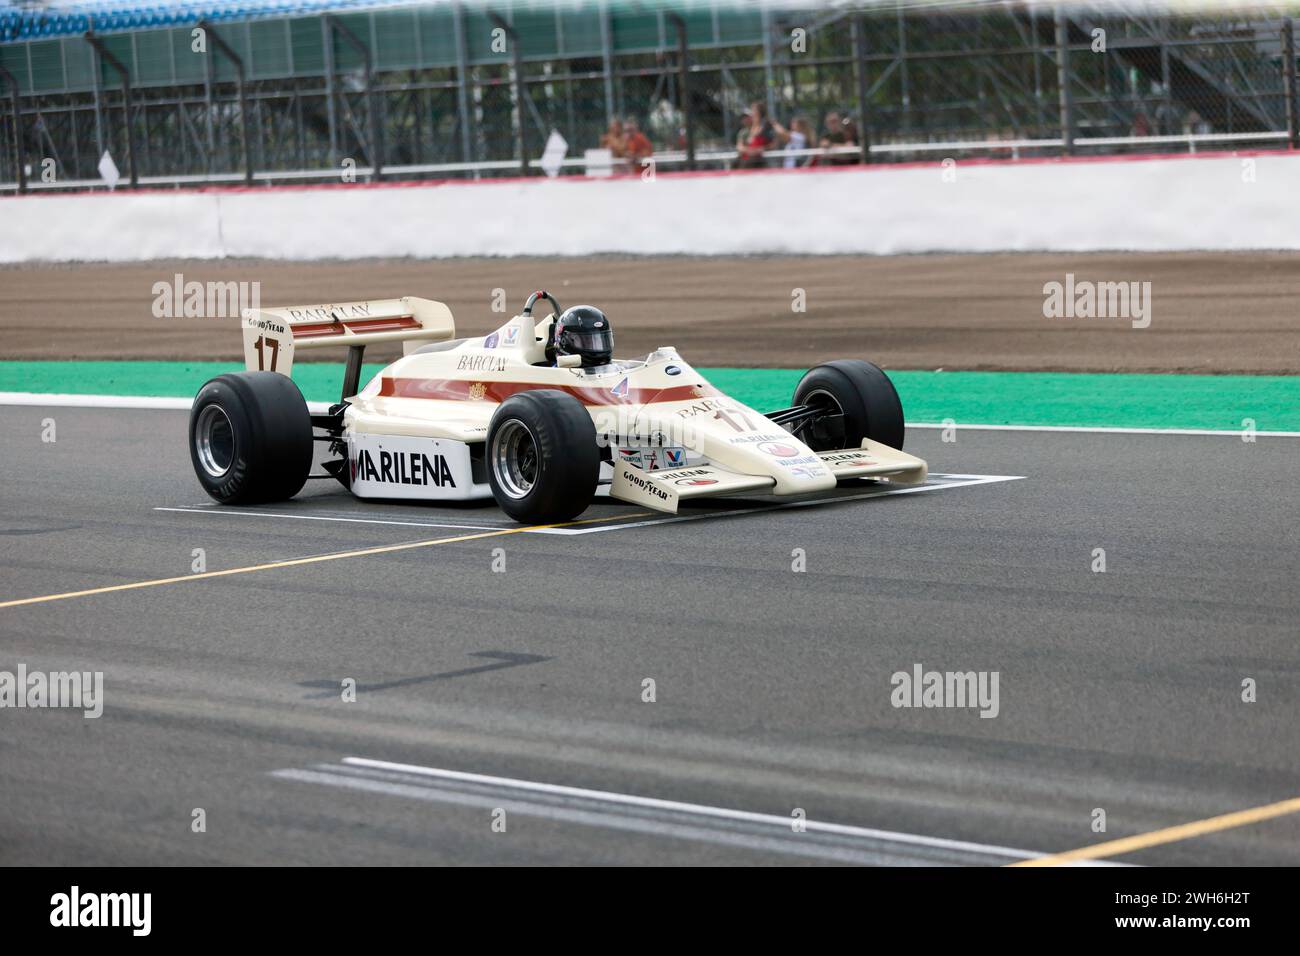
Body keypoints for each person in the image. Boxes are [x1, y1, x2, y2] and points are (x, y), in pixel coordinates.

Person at [737, 101, 786, 168]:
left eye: (754, 110)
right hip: (748, 163)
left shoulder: (767, 126)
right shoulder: (746, 130)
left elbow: (775, 144)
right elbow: (740, 147)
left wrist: (760, 149)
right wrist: (750, 151)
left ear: (760, 112)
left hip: (764, 164)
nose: (752, 113)